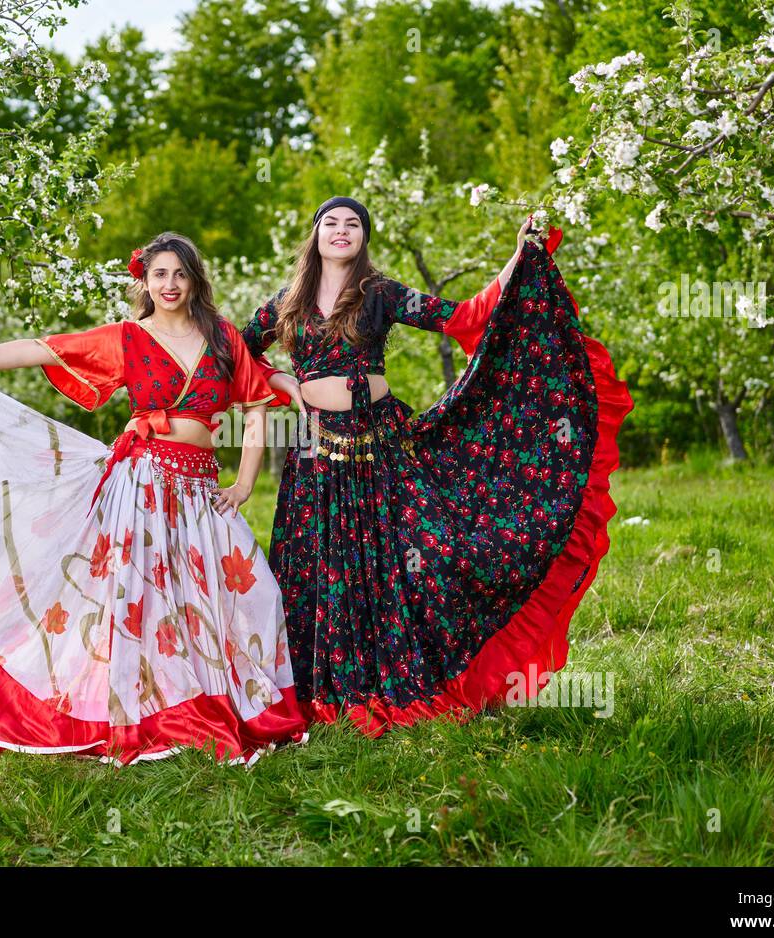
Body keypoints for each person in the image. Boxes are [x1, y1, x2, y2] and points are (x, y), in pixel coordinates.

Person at [0, 232, 307, 765]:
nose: (170, 284)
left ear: (195, 280)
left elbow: (254, 407)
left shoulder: (224, 339)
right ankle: (153, 706)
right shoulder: (128, 337)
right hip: (142, 483)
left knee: (245, 594)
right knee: (142, 602)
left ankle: (223, 692)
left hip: (201, 487)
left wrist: (245, 483)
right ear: (146, 281)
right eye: (159, 274)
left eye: (180, 274)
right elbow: (42, 349)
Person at [239, 196, 634, 735]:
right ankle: (323, 692)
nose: (341, 231)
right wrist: (284, 383)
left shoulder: (378, 293)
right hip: (316, 455)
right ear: (315, 235)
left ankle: (407, 680)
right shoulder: (287, 302)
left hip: (380, 446)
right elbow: (236, 354)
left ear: (363, 238)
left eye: (352, 224)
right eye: (330, 222)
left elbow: (463, 317)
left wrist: (518, 259)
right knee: (323, 571)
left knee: (411, 559)